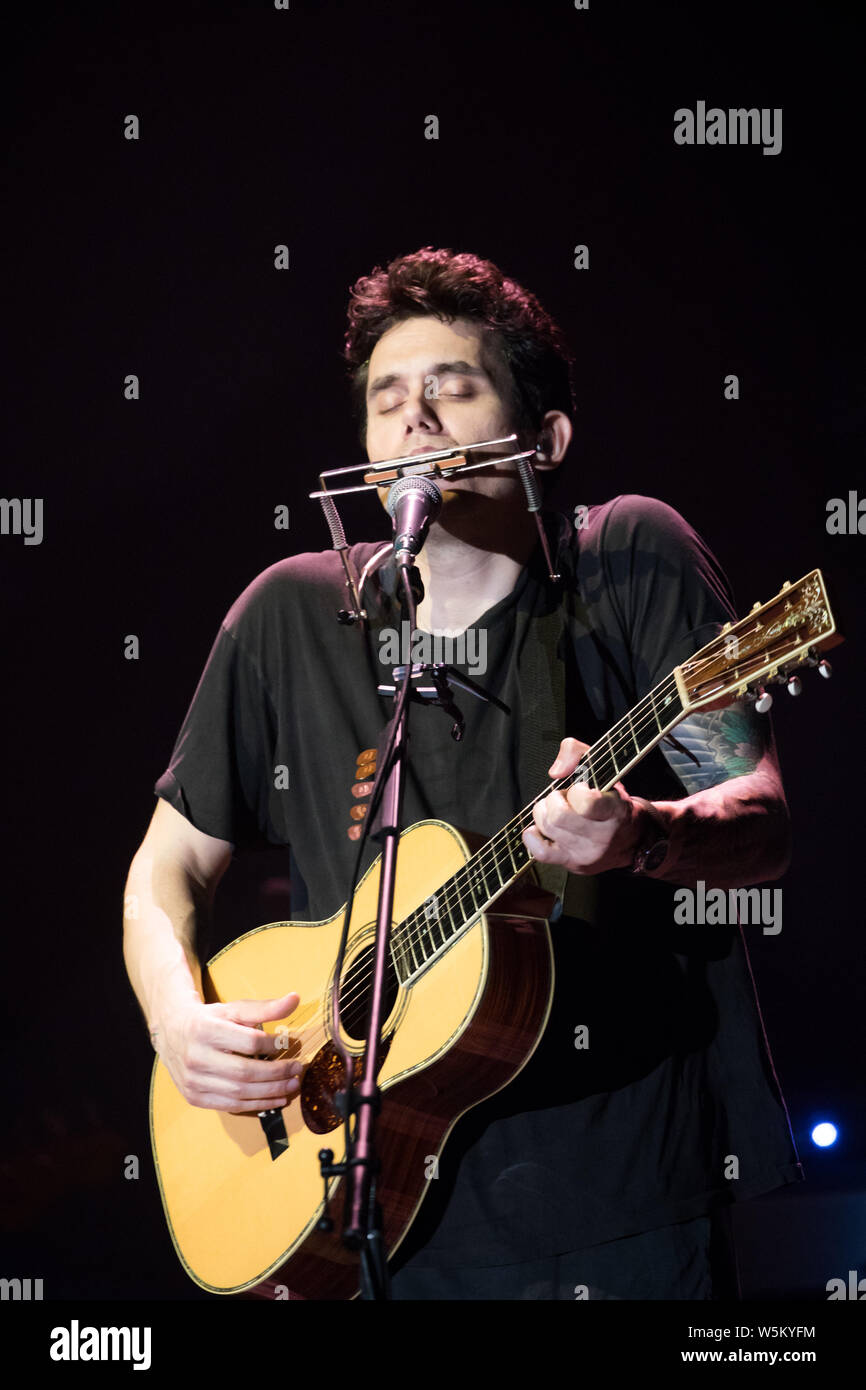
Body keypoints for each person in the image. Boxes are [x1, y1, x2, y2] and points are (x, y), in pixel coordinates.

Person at [123, 247, 802, 1300]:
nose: (413, 420)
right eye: (387, 397)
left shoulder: (625, 557)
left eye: (453, 388)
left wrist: (645, 836)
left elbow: (760, 824)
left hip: (615, 1196)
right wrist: (178, 1023)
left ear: (544, 438)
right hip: (364, 1204)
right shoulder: (291, 614)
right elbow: (161, 871)